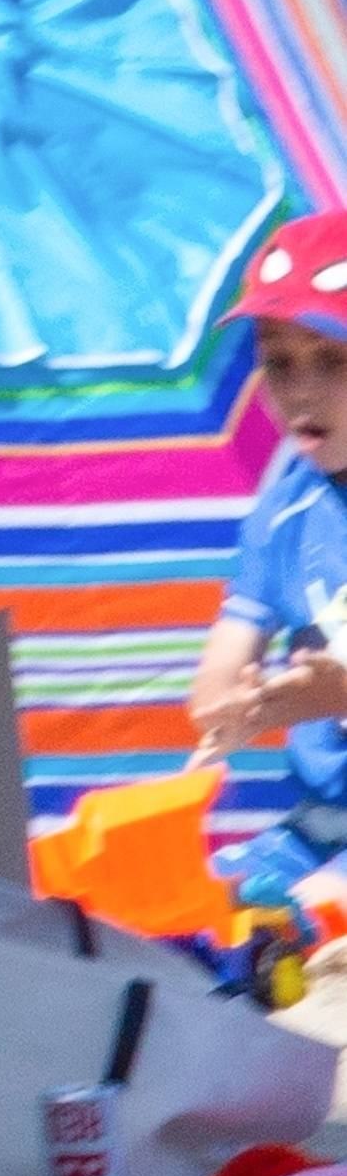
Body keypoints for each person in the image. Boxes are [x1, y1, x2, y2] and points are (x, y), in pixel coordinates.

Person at [191, 209, 347, 903]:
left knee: (308, 926)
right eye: (277, 363)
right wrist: (236, 704)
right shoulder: (284, 506)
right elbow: (219, 672)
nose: (299, 391)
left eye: (332, 361)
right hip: (321, 827)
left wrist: (335, 691)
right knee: (209, 907)